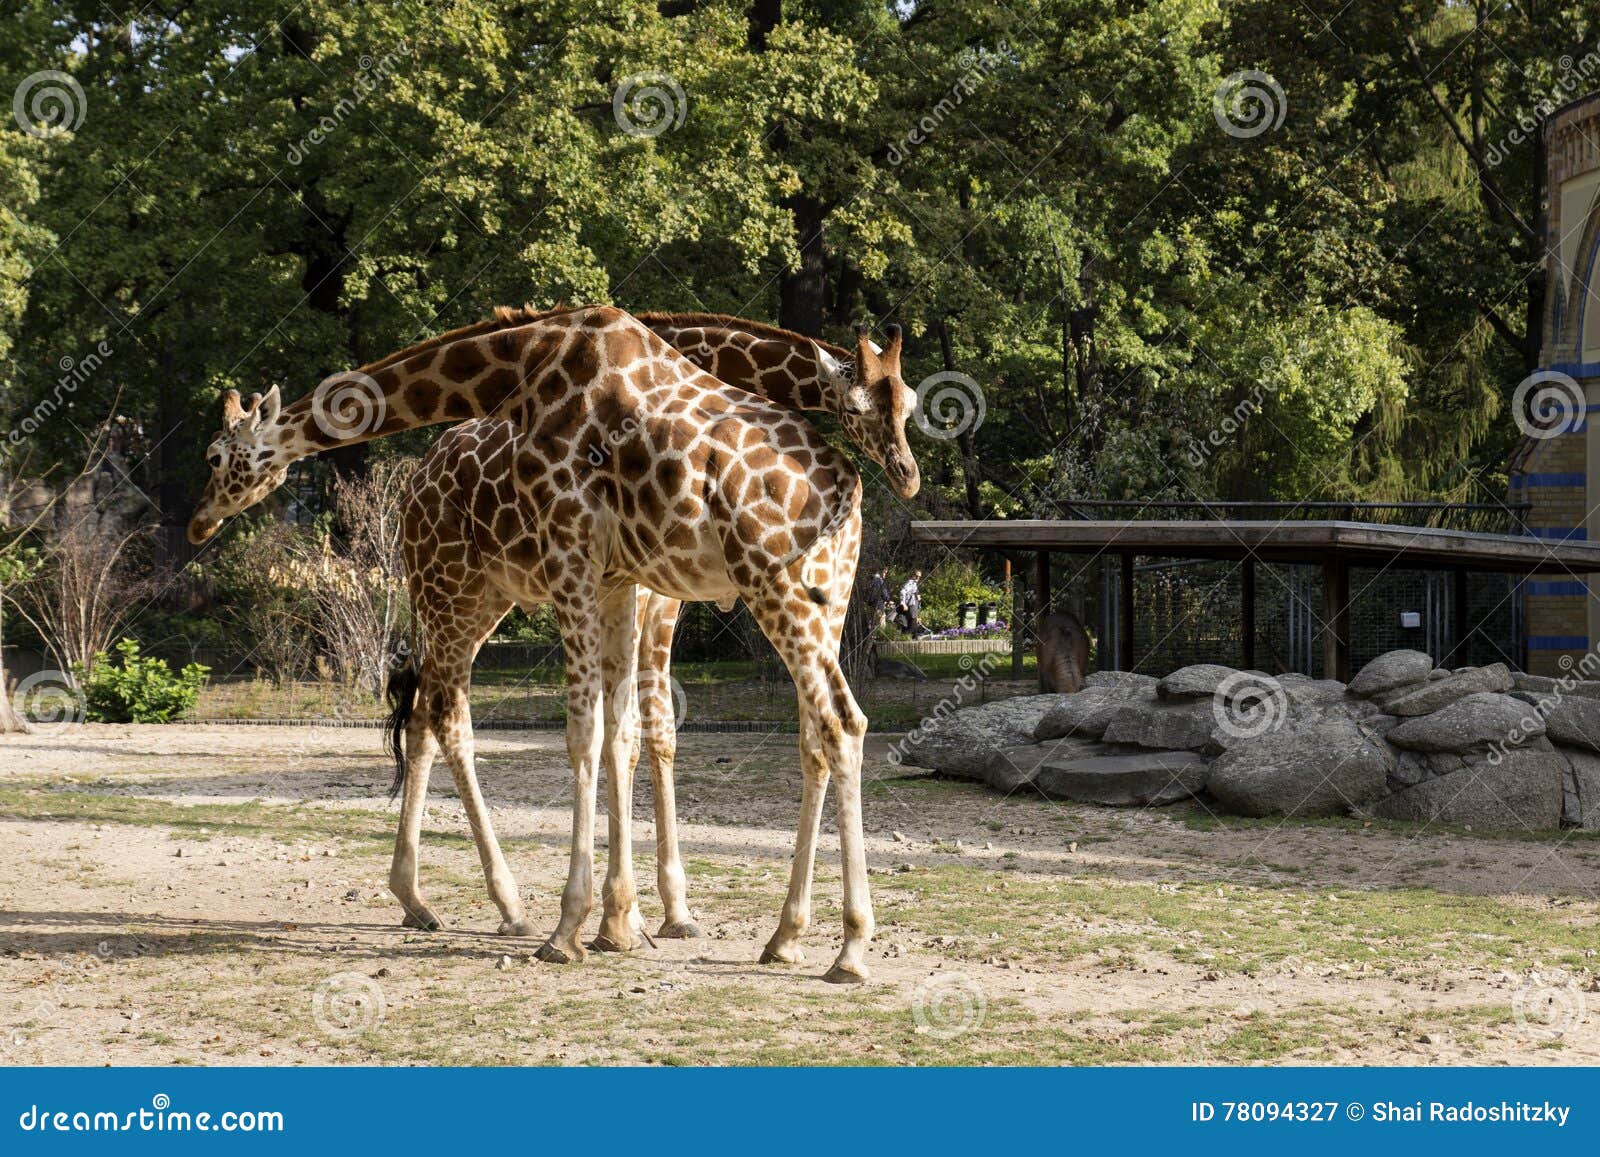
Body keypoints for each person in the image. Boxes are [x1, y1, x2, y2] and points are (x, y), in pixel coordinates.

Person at [899, 569, 928, 637]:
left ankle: (913, 639)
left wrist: (917, 596)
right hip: (911, 607)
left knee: (914, 626)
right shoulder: (910, 583)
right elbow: (902, 591)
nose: (918, 578)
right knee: (912, 626)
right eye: (916, 576)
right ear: (913, 575)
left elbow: (913, 593)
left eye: (919, 577)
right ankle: (905, 637)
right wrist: (903, 603)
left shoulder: (914, 584)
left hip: (914, 608)